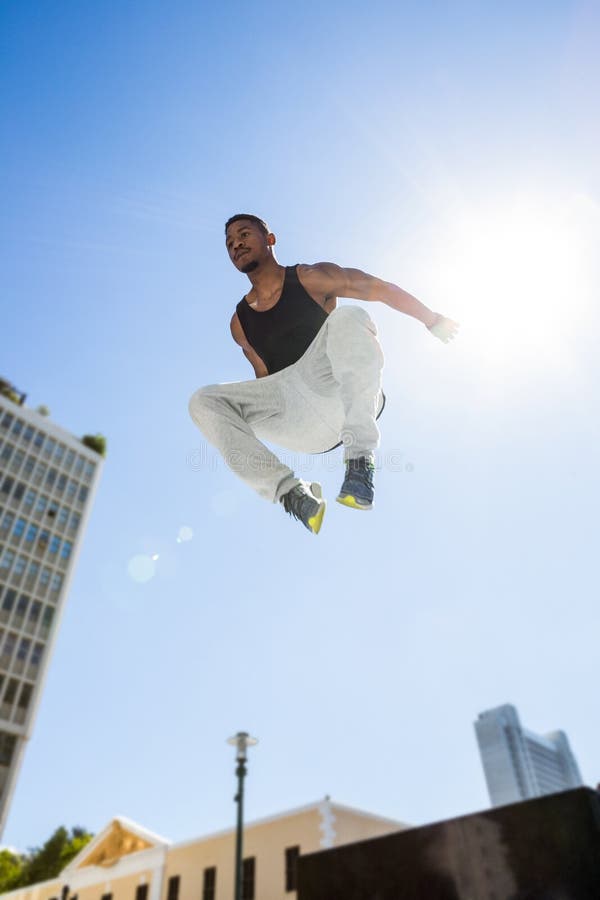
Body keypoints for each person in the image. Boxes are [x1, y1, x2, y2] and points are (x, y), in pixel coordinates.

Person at [189, 214, 458, 534]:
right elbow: (265, 379)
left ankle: (359, 463)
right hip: (296, 416)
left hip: (337, 392)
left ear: (270, 240)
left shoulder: (311, 278)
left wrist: (431, 319)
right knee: (203, 401)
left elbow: (380, 289)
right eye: (230, 243)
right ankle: (292, 495)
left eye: (244, 234)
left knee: (349, 317)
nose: (237, 245)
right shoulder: (239, 324)